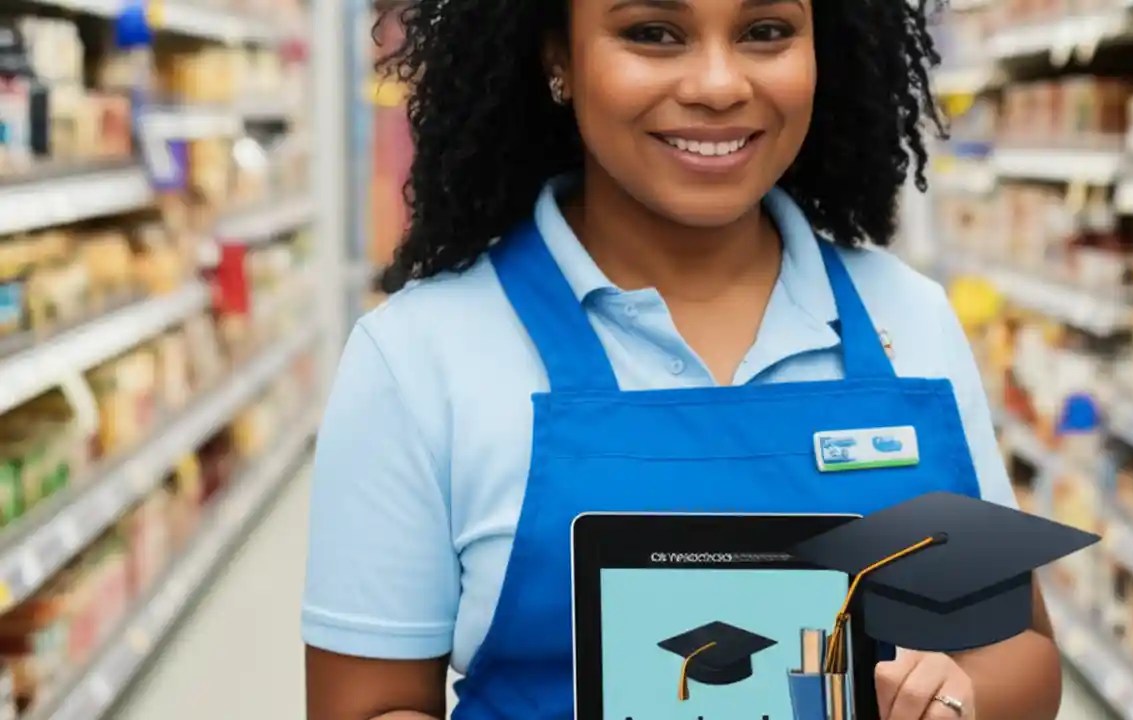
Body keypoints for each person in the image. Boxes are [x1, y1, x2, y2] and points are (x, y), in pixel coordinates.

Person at [303, 0, 1066, 718]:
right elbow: (369, 704)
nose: (718, 85)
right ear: (557, 57)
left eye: (765, 30)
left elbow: (1018, 650)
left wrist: (954, 700)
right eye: (654, 33)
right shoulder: (417, 356)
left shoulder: (911, 320)